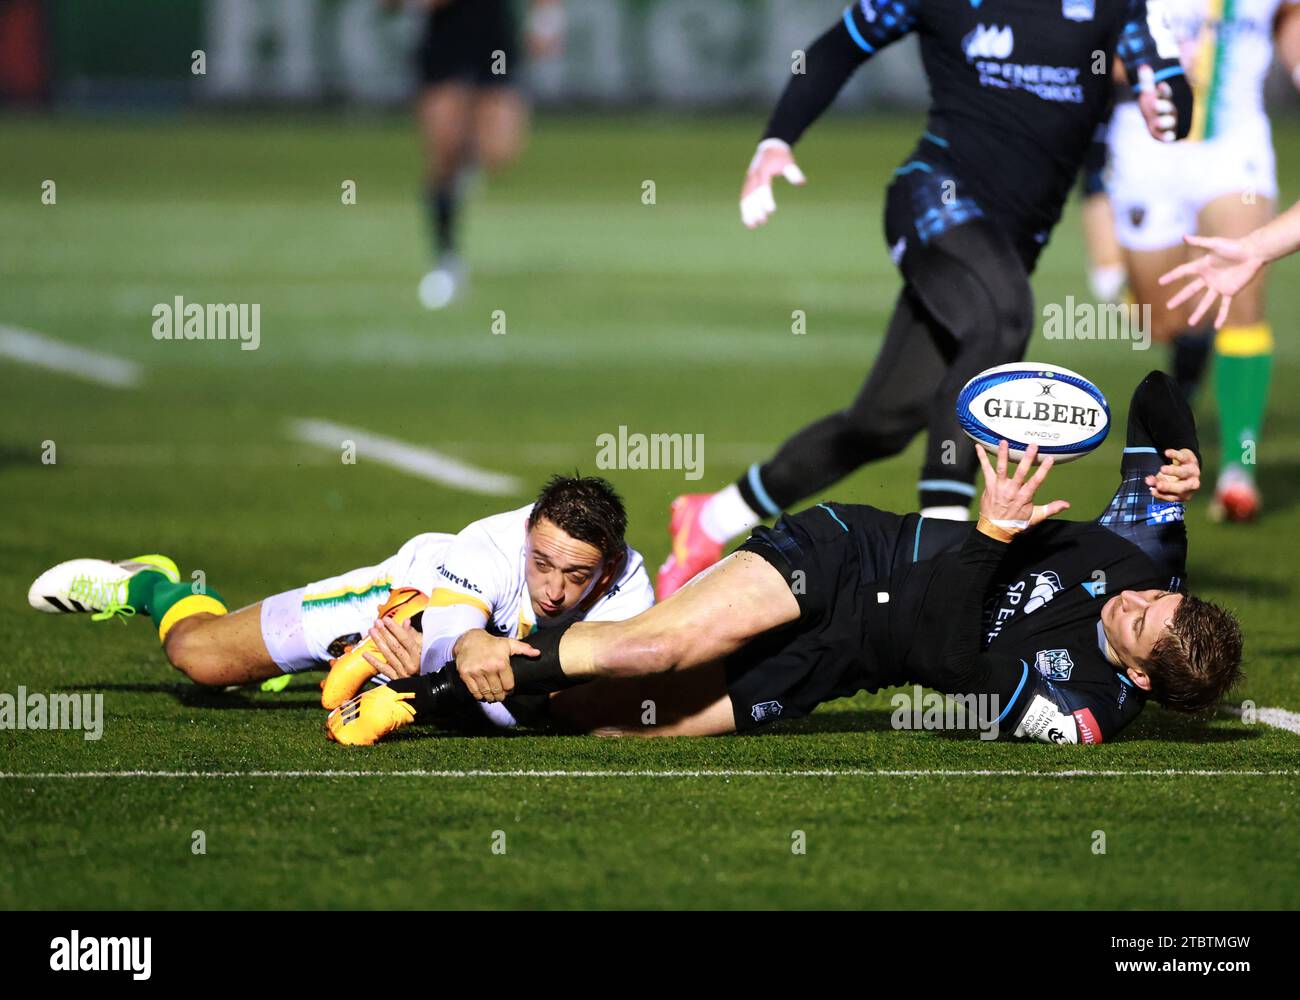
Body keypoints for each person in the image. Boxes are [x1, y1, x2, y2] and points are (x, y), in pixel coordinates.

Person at [333, 373, 1243, 747]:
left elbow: (948, 663)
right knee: (654, 651)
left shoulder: (1084, 713)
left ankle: (414, 700)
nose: (1130, 606)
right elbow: (1153, 398)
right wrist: (1180, 453)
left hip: (845, 658)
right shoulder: (1148, 557)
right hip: (841, 554)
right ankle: (446, 660)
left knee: (620, 724)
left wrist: (993, 538)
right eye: (1150, 603)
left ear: (1146, 685)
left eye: (1138, 628)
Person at [655, 0, 1193, 598]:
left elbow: (1166, 78)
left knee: (880, 424)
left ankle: (710, 519)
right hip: (933, 197)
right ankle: (945, 553)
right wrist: (778, 138)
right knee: (1002, 317)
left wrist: (1164, 105)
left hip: (1006, 245)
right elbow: (838, 46)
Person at [27, 475, 653, 731]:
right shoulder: (488, 545)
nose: (552, 589)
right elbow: (450, 639)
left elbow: (580, 704)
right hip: (395, 602)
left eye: (575, 575)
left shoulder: (632, 590)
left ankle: (347, 666)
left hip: (411, 659)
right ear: (526, 539)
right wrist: (461, 648)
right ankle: (152, 583)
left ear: (607, 569)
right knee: (200, 659)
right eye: (540, 564)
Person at [1104, 0, 1300, 519]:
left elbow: (1289, 16)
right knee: (1165, 318)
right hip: (1147, 143)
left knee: (1242, 297)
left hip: (1235, 147)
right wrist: (1148, 64)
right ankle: (1164, 323)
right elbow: (1089, 40)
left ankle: (1239, 471)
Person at [405, 0, 565, 309]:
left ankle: (468, 162)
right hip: (444, 40)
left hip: (494, 42)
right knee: (443, 149)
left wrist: (547, 22)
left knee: (500, 150)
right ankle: (446, 259)